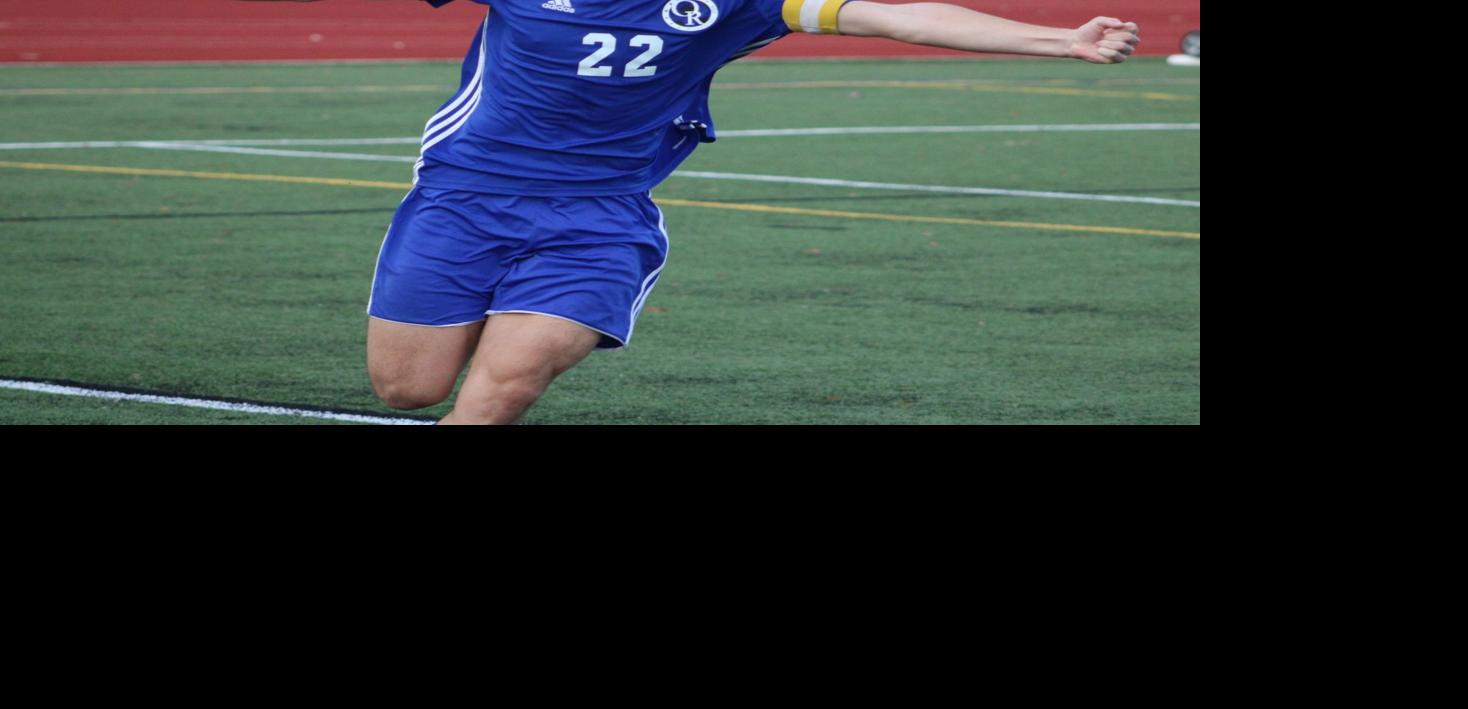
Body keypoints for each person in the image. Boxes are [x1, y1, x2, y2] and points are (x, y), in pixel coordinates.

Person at [350, 0, 1139, 423]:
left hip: (597, 221)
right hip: (461, 202)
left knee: (509, 384)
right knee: (407, 390)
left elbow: (897, 15)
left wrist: (1059, 39)